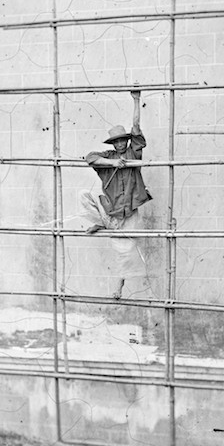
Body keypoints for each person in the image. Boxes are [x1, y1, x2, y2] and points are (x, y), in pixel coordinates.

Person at [81, 89, 152, 299]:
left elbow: (137, 129)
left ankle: (118, 288)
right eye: (117, 142)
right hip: (111, 211)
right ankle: (102, 223)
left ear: (127, 141)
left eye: (123, 140)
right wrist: (113, 163)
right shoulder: (110, 156)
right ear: (113, 144)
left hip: (128, 212)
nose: (120, 144)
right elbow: (89, 157)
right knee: (84, 195)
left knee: (125, 249)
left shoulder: (133, 153)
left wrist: (136, 100)